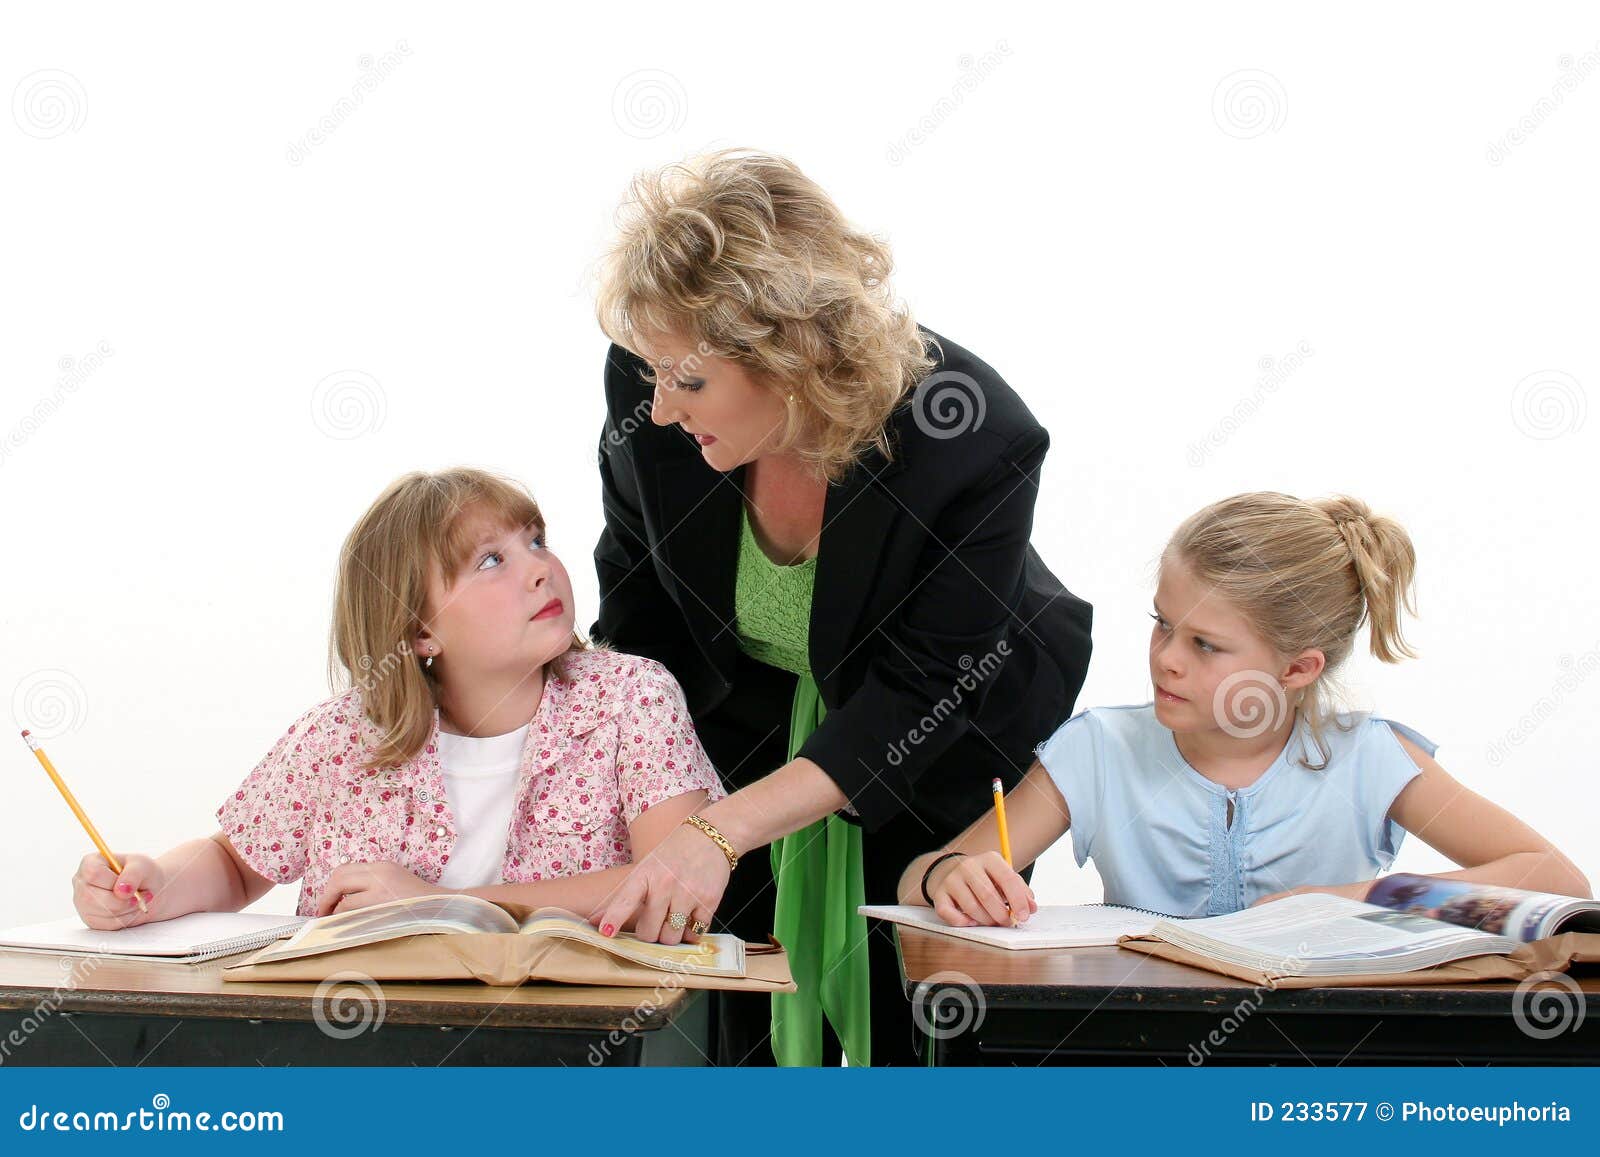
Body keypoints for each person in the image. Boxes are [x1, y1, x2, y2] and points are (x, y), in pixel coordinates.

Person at [587, 148, 1093, 1065]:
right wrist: (667, 807)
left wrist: (719, 829)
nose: (658, 408)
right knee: (731, 997)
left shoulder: (976, 435)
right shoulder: (647, 383)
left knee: (920, 1003)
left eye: (688, 381)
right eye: (653, 371)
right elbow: (638, 618)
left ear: (786, 354)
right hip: (748, 712)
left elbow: (918, 690)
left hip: (946, 718)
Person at [900, 492, 1590, 928]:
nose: (1167, 657)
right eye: (1162, 623)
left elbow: (1555, 878)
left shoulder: (1370, 759)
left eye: (1206, 644)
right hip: (1140, 1054)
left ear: (1297, 668)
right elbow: (916, 880)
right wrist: (949, 876)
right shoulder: (1098, 749)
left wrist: (1351, 899)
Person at [71, 468, 722, 928]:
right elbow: (233, 863)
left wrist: (443, 903)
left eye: (535, 539)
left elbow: (674, 878)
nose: (538, 567)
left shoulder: (634, 699)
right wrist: (151, 882)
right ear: (419, 630)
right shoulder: (339, 738)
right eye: (490, 560)